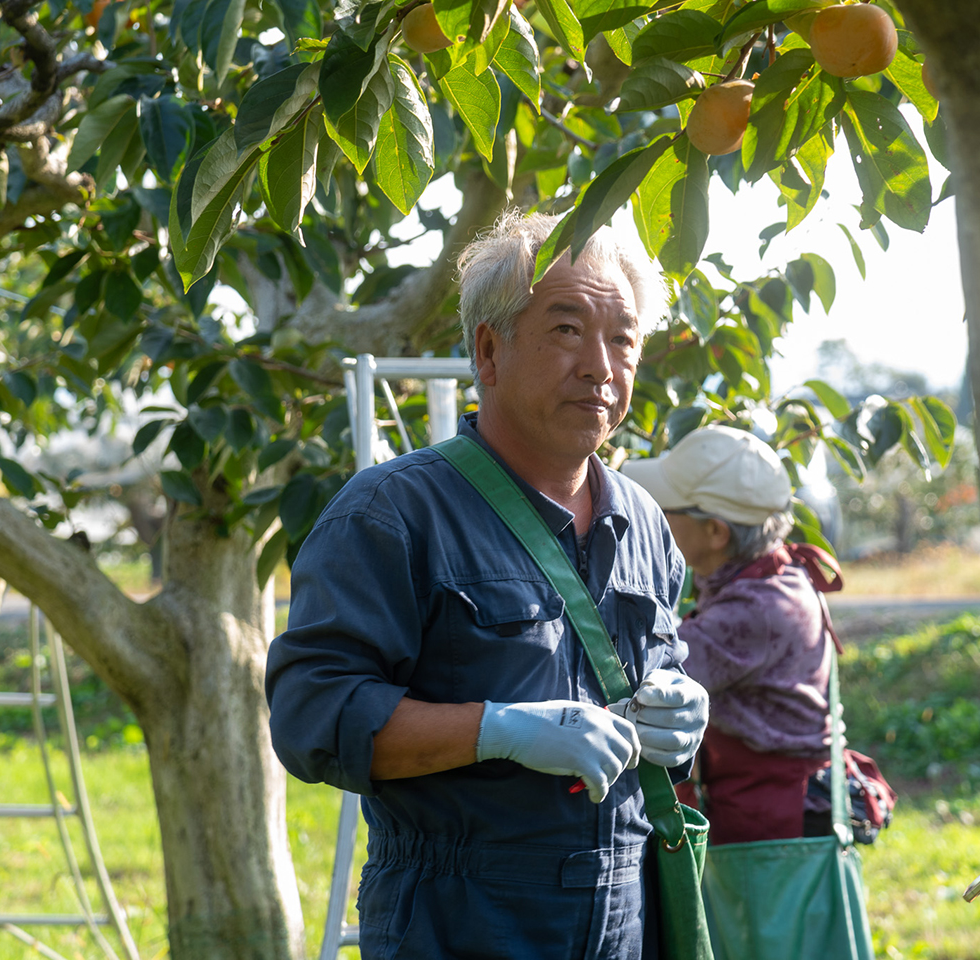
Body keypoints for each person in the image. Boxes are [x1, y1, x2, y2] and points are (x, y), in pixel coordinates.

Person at [265, 213, 710, 959]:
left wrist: (681, 713)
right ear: (489, 350)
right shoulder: (395, 514)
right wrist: (496, 729)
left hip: (624, 918)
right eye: (568, 330)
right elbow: (313, 714)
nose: (601, 366)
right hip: (463, 919)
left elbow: (660, 667)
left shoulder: (641, 520)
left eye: (623, 338)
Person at [621, 425, 843, 846]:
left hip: (768, 820)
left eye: (666, 510)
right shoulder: (773, 579)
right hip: (761, 800)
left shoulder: (750, 613)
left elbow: (647, 678)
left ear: (716, 533)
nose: (654, 517)